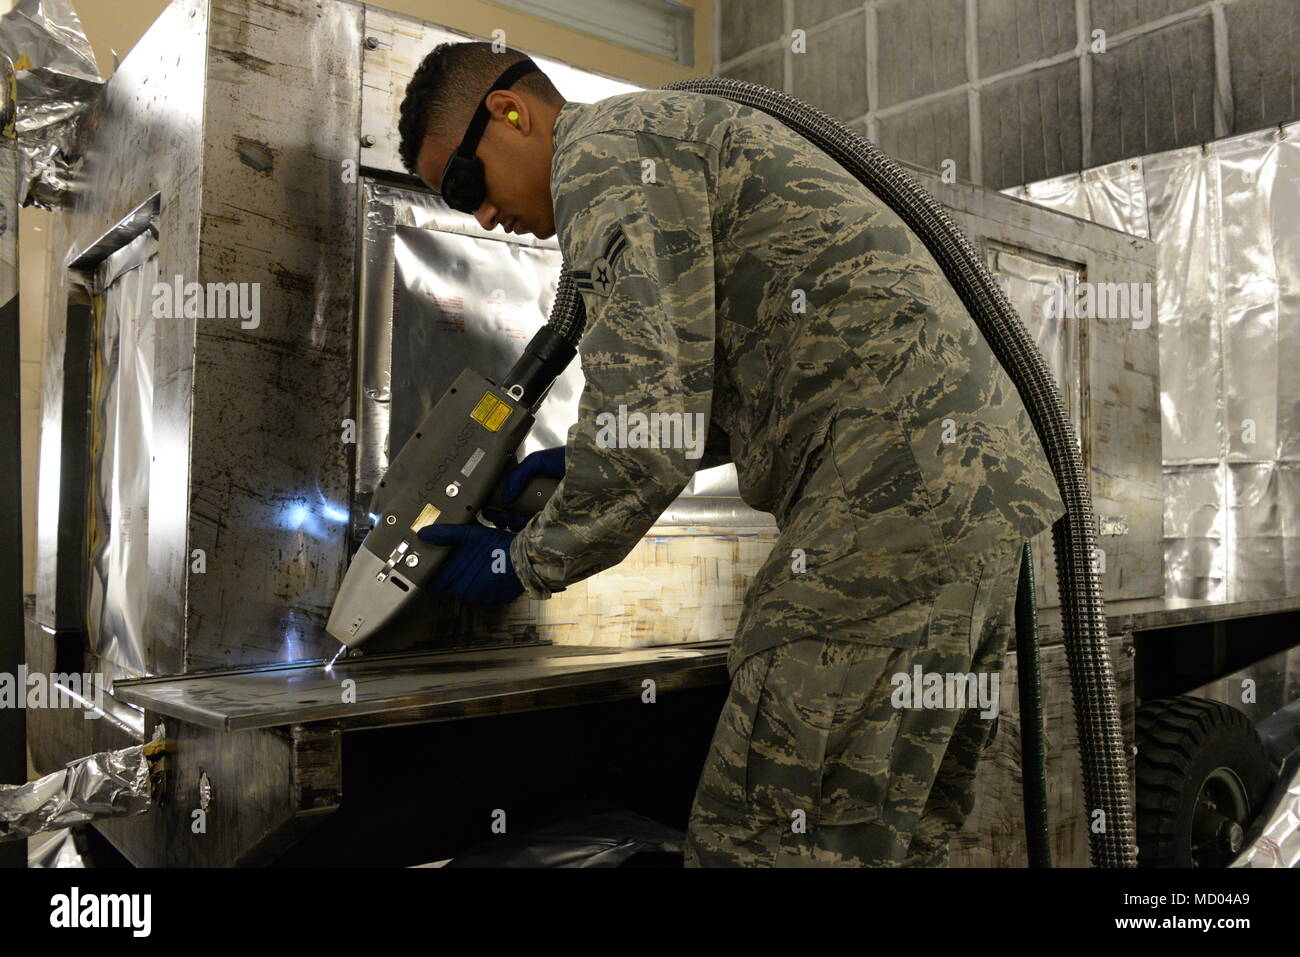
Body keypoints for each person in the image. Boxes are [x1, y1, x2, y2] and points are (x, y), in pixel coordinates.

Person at [397, 41, 1066, 867]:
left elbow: (651, 403)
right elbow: (732, 377)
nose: (485, 218)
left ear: (511, 113)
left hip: (888, 503)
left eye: (466, 186)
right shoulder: (664, 137)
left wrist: (526, 560)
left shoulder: (604, 154)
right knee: (868, 843)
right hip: (966, 501)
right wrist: (577, 464)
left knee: (761, 840)